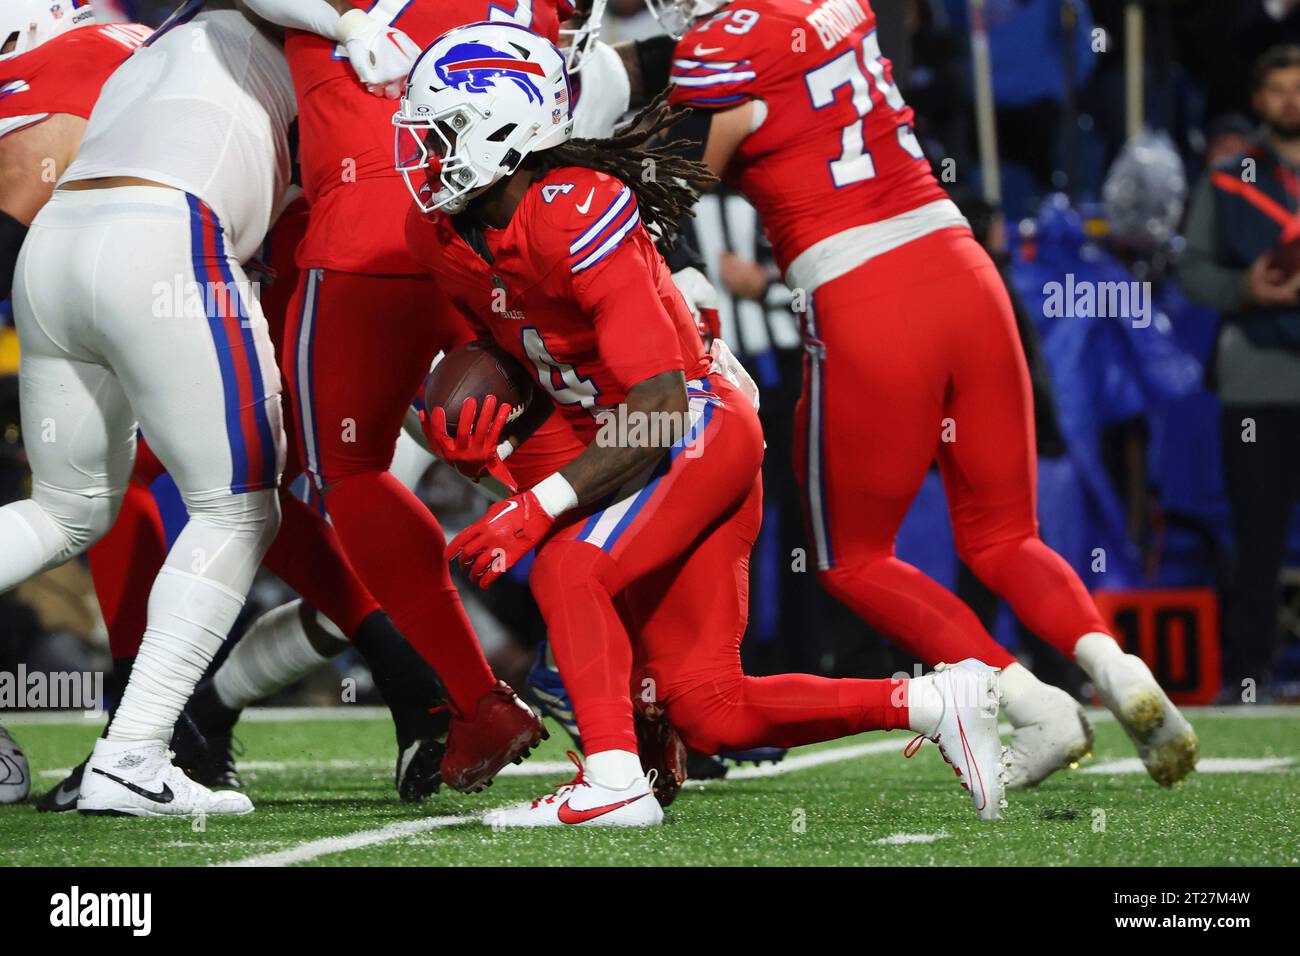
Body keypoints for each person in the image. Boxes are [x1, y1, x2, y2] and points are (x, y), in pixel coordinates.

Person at [401, 22, 1008, 827]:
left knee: (567, 570)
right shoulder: (446, 234)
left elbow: (656, 403)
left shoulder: (575, 206)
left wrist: (533, 506)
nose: (425, 155)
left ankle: (612, 783)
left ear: (503, 128)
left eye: (442, 133)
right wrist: (491, 453)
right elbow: (524, 354)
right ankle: (936, 700)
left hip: (695, 423)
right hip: (621, 438)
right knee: (709, 707)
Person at [649, 0, 1197, 786]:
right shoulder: (835, 9)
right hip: (963, 266)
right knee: (1007, 537)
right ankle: (1115, 668)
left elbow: (676, 181)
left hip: (864, 290)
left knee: (851, 558)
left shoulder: (721, 50)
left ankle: (1032, 703)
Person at [0, 6, 297, 816]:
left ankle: (132, 752)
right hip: (166, 235)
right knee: (237, 513)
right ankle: (132, 755)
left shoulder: (161, 44)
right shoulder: (323, 43)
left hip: (53, 247)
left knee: (64, 511)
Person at [1181, 44, 1300, 700]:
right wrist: (1247, 287)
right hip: (1258, 377)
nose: (1291, 101)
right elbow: (1192, 268)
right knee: (1257, 538)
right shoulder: (1232, 176)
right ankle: (1248, 677)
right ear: (1259, 101)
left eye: (1299, 88)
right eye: (1278, 89)